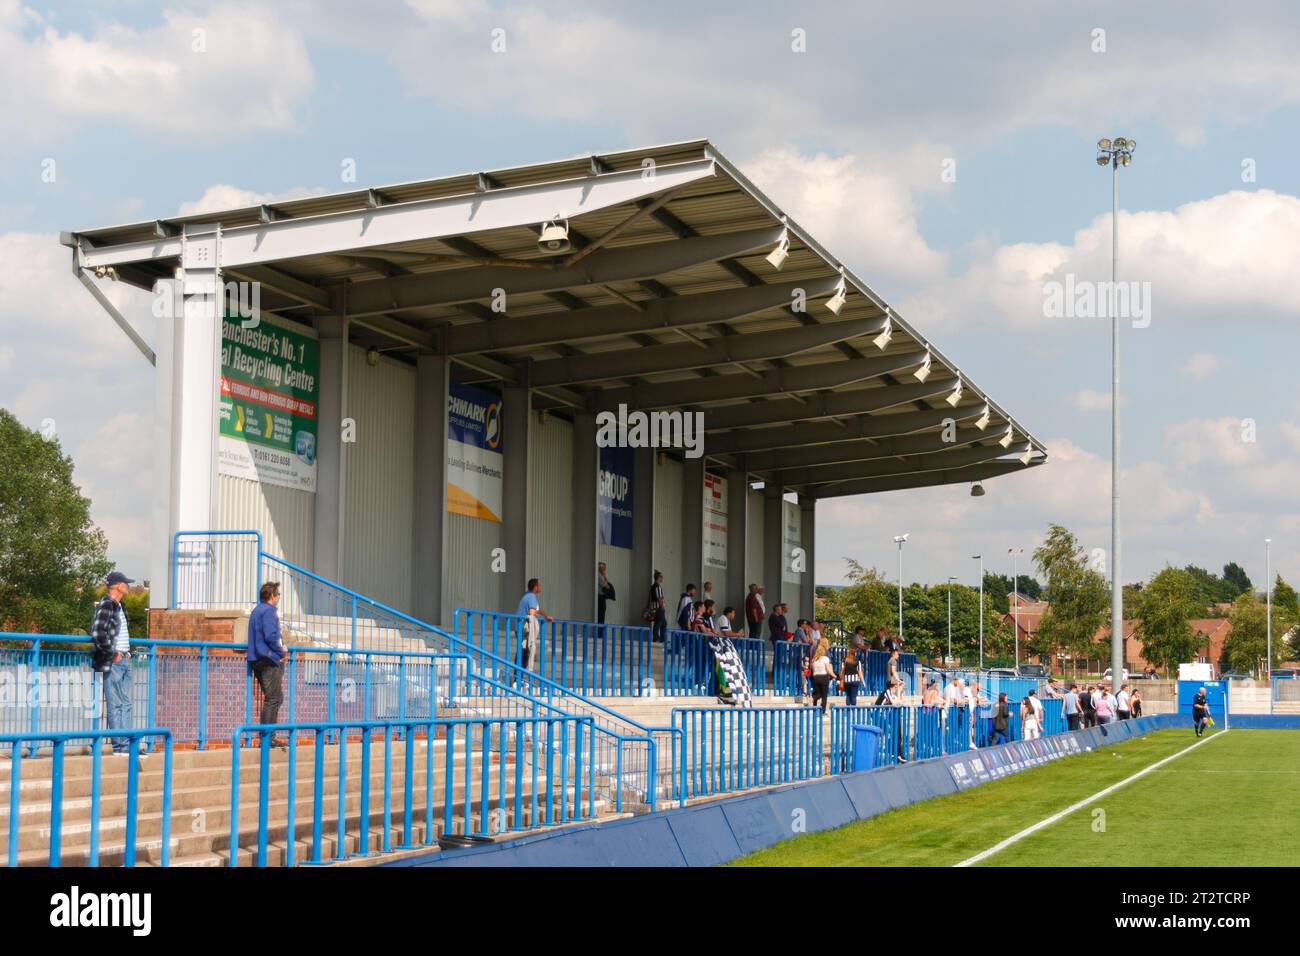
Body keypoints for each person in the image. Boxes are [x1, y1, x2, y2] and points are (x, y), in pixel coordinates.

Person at [90, 571, 146, 761]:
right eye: (126, 583)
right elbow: (98, 632)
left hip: (125, 659)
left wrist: (124, 654)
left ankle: (128, 745)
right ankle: (120, 746)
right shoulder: (107, 604)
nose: (128, 586)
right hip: (114, 661)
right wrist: (112, 653)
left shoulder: (120, 606)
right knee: (116, 704)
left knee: (126, 704)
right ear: (118, 586)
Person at [247, 581, 289, 748]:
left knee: (274, 697)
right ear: (272, 596)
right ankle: (267, 737)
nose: (278, 597)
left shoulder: (256, 610)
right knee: (273, 698)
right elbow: (271, 636)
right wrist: (281, 652)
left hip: (256, 659)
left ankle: (268, 736)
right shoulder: (270, 611)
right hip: (268, 659)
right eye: (278, 595)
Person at [516, 578, 554, 676]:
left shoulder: (528, 595)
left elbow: (537, 610)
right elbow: (532, 613)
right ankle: (518, 678)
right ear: (535, 587)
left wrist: (546, 615)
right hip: (525, 628)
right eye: (539, 585)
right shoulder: (532, 596)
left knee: (523, 653)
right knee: (526, 652)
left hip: (521, 627)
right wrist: (542, 615)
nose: (540, 587)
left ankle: (518, 678)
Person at [809, 637, 836, 713]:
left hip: (815, 677)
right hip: (824, 677)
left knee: (816, 692)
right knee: (824, 696)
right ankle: (823, 711)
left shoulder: (814, 660)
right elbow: (828, 669)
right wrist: (833, 675)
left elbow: (813, 669)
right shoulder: (826, 658)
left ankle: (814, 706)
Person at [647, 571, 667, 643]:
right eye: (661, 577)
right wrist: (662, 606)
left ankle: (662, 638)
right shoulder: (657, 587)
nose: (662, 578)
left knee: (663, 623)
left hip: (654, 608)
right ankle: (656, 638)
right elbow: (659, 598)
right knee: (658, 623)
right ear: (658, 578)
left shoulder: (653, 586)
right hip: (658, 608)